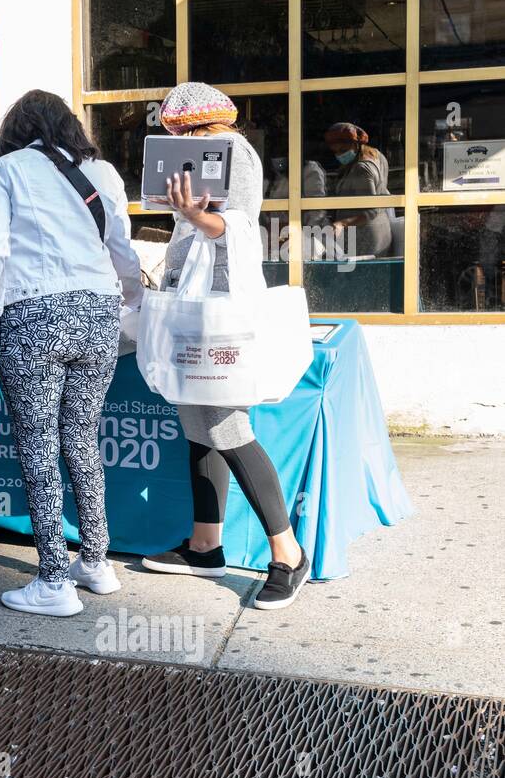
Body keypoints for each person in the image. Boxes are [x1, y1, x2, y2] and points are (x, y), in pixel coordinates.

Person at [138, 83, 311, 610]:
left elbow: (233, 225)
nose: (178, 140)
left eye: (183, 132)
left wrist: (192, 216)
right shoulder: (204, 153)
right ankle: (205, 545)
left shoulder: (235, 153)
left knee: (227, 427)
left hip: (220, 309)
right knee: (196, 425)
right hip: (194, 305)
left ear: (200, 127)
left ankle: (288, 554)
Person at [0, 90, 142, 617]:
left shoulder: (6, 171)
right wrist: (131, 298)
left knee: (39, 445)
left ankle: (52, 581)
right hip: (98, 313)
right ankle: (95, 561)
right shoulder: (103, 172)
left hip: (32, 317)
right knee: (83, 438)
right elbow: (122, 248)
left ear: (16, 129)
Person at [324, 122, 392, 258]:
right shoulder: (377, 155)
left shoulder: (362, 169)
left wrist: (342, 223)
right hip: (380, 232)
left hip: (365, 237)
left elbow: (371, 210)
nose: (339, 155)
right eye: (335, 151)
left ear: (356, 144)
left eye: (343, 149)